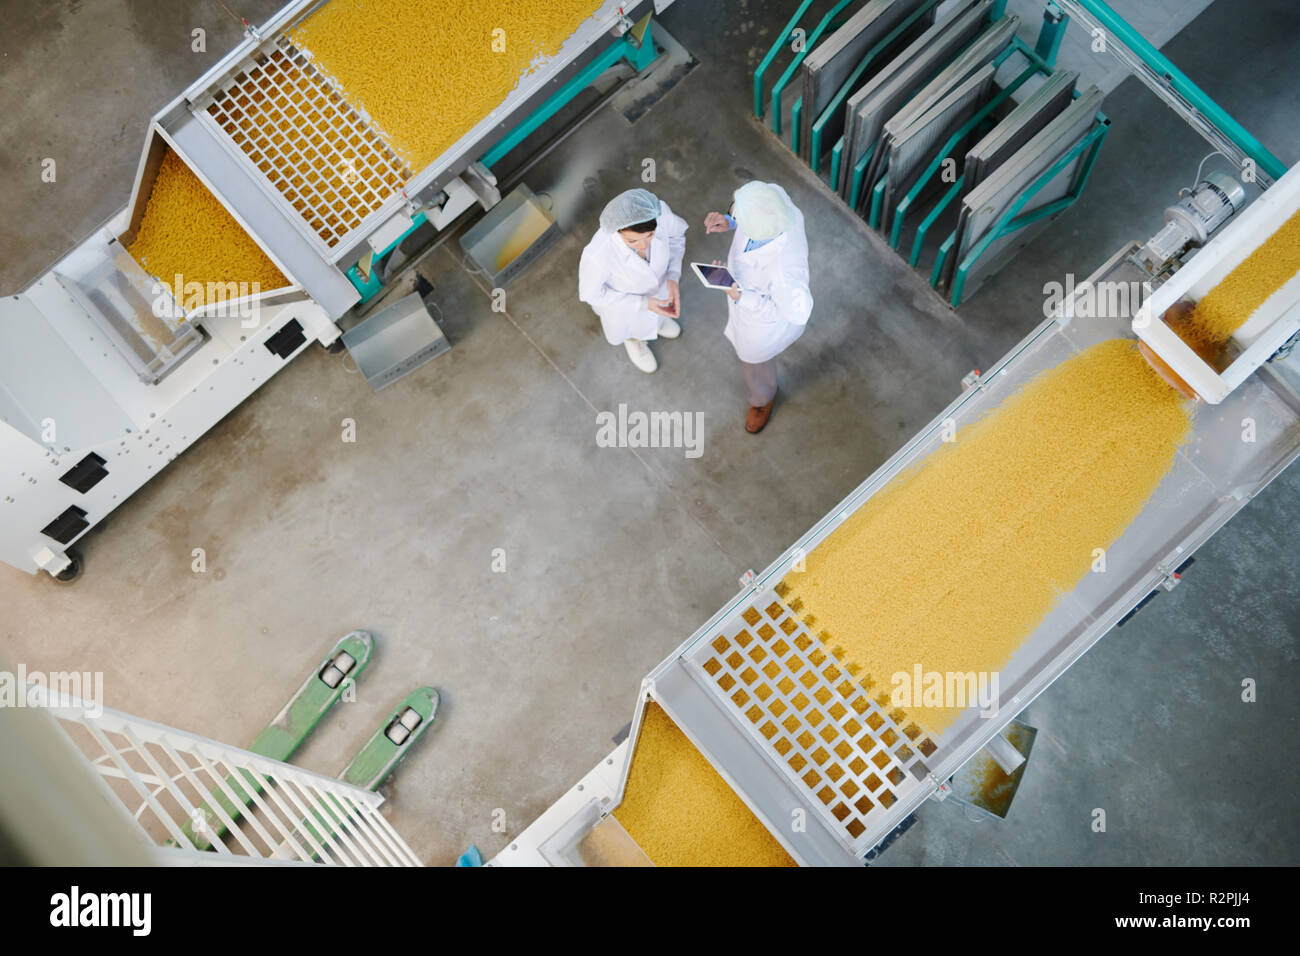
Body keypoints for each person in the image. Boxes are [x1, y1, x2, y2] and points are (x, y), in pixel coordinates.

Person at [704, 181, 812, 433]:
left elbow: (794, 314)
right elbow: (755, 204)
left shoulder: (787, 272)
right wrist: (730, 220)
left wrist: (742, 297)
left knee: (754, 365)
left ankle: (763, 399)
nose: (734, 215)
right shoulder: (775, 196)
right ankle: (762, 394)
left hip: (761, 324)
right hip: (742, 297)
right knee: (750, 356)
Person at [578, 188, 687, 373]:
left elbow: (676, 237)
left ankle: (658, 323)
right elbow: (591, 294)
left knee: (657, 313)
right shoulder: (597, 254)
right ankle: (635, 342)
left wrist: (673, 276)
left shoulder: (659, 214)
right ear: (618, 231)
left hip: (660, 289)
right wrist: (643, 303)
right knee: (630, 328)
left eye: (650, 235)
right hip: (625, 308)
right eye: (633, 241)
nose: (644, 245)